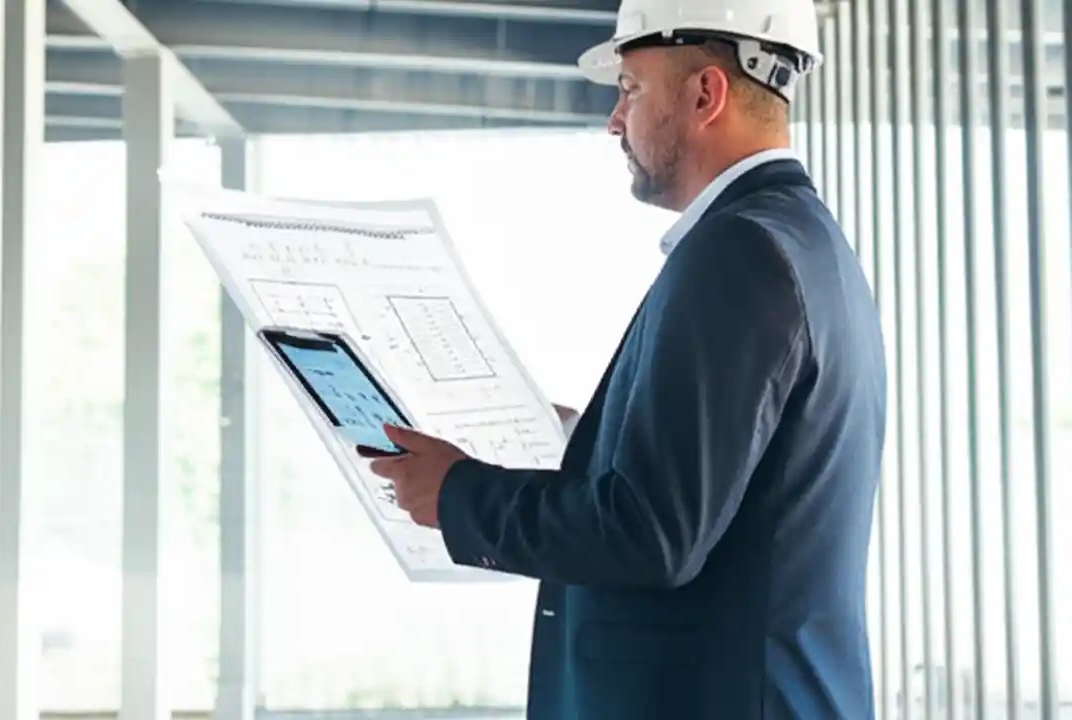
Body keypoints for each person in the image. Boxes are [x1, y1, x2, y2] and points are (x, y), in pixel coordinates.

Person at [365, 0, 887, 716]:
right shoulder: (802, 244)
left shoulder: (740, 254)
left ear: (706, 94)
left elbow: (654, 536)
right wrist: (590, 437)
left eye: (631, 89)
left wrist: (456, 496)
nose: (615, 120)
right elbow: (722, 489)